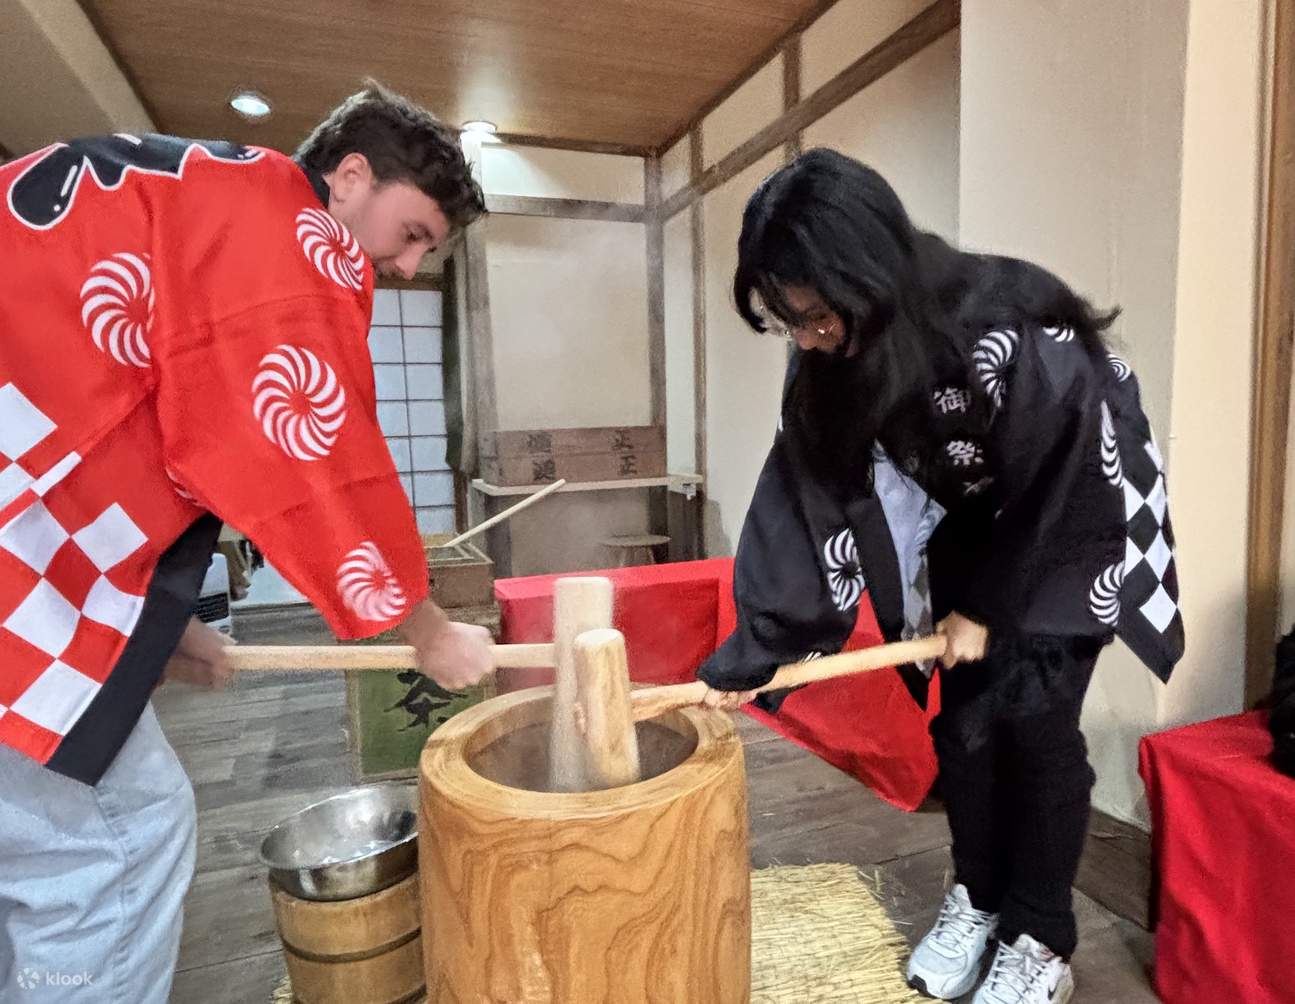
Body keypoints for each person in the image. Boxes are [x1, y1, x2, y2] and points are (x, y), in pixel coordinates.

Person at [0, 82, 492, 1001]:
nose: (407, 266)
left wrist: (157, 626)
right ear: (351, 176)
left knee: (39, 849)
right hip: (14, 580)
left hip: (25, 547)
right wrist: (429, 631)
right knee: (114, 844)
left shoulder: (199, 194)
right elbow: (316, 463)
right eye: (413, 233)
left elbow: (141, 418)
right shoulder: (281, 230)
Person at [697, 149, 1184, 1004]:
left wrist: (988, 608)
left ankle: (1039, 937)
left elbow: (1069, 476)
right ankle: (978, 896)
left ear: (865, 276)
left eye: (814, 316)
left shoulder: (1014, 323)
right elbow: (805, 487)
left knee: (1034, 729)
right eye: (787, 321)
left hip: (1078, 520)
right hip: (971, 522)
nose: (805, 339)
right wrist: (755, 651)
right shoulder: (833, 351)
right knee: (963, 728)